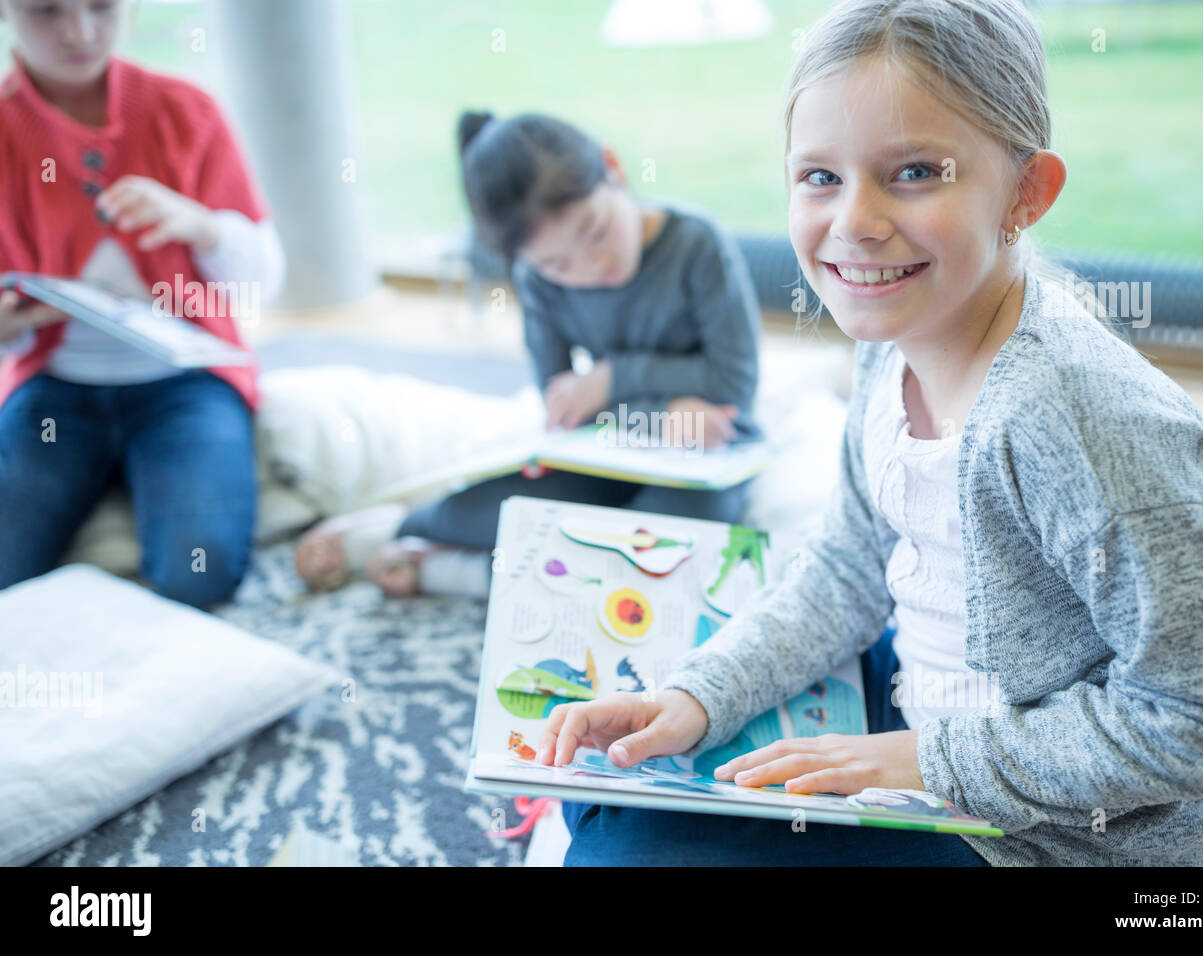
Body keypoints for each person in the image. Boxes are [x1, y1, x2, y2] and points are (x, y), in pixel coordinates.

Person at [535, 0, 1203, 866]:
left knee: (623, 855)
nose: (855, 222)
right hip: (916, 706)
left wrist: (929, 760)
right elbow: (852, 568)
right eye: (820, 177)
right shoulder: (892, 339)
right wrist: (700, 696)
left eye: (915, 172)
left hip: (1033, 839)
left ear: (1026, 192)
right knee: (608, 794)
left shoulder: (1074, 416)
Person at [294, 110, 764, 600]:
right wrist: (656, 413)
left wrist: (610, 378)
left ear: (613, 167)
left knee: (670, 547)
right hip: (612, 446)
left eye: (597, 231)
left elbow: (733, 385)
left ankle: (450, 573)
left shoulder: (697, 244)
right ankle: (402, 527)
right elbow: (562, 407)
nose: (592, 265)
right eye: (557, 263)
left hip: (710, 449)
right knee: (514, 508)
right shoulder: (537, 281)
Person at [0, 0, 285, 607]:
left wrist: (203, 227)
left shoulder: (185, 110)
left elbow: (261, 281)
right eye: (46, 12)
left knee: (196, 573)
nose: (79, 32)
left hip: (185, 379)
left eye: (101, 8)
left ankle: (133, 475)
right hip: (54, 385)